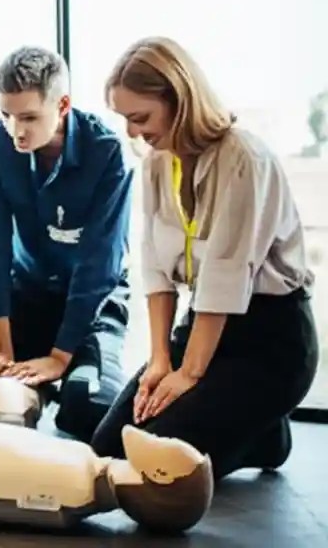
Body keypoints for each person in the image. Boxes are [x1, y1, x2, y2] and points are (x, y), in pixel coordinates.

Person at [91, 36, 319, 480]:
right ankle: (260, 431)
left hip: (270, 339)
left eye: (141, 118)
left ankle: (262, 426)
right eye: (126, 121)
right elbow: (156, 267)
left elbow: (224, 276)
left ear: (180, 100)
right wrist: (160, 361)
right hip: (201, 325)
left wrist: (189, 375)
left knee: (158, 464)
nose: (134, 133)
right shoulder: (158, 162)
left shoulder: (243, 159)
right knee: (108, 446)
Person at [0, 47, 133, 441]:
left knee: (88, 413)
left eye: (29, 117)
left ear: (62, 105)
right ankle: (30, 383)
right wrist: (3, 354)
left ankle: (53, 383)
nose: (16, 130)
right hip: (23, 301)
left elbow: (99, 266)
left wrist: (58, 358)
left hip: (91, 311)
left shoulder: (108, 152)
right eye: (6, 115)